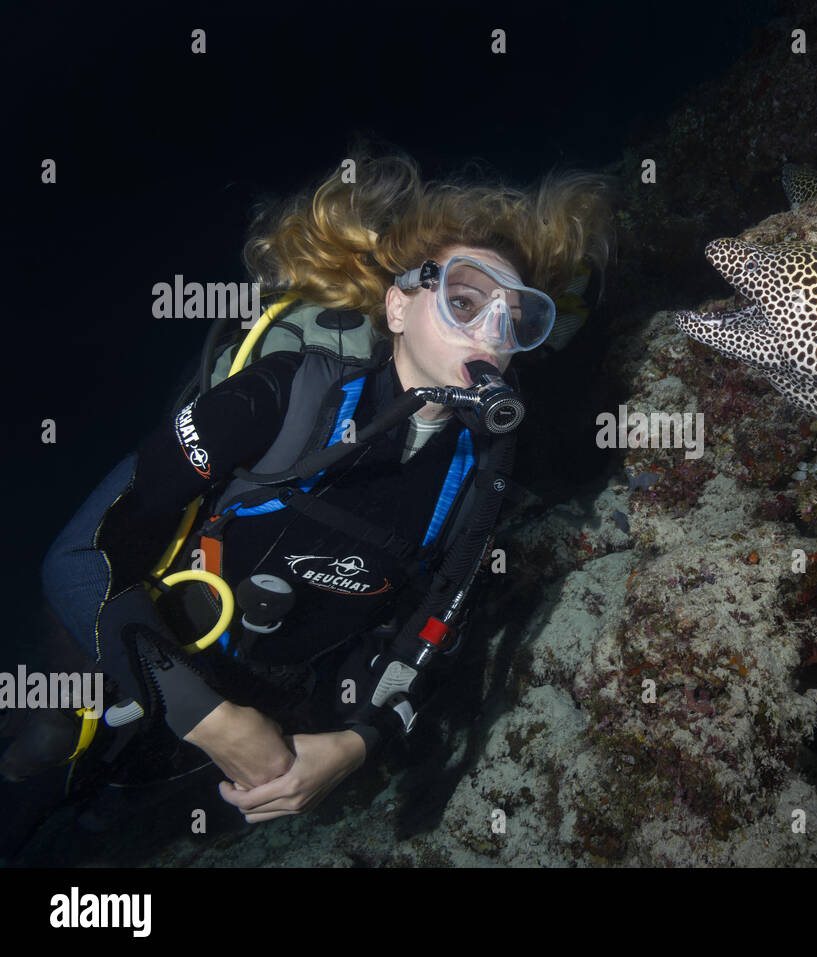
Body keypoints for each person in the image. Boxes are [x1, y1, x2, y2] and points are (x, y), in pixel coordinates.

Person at [1, 155, 613, 845]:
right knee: (30, 769)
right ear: (398, 305)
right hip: (113, 675)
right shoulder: (283, 395)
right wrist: (206, 714)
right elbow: (77, 558)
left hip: (224, 764)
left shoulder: (481, 474)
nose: (491, 335)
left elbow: (428, 641)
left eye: (516, 317)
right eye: (466, 301)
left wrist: (355, 746)